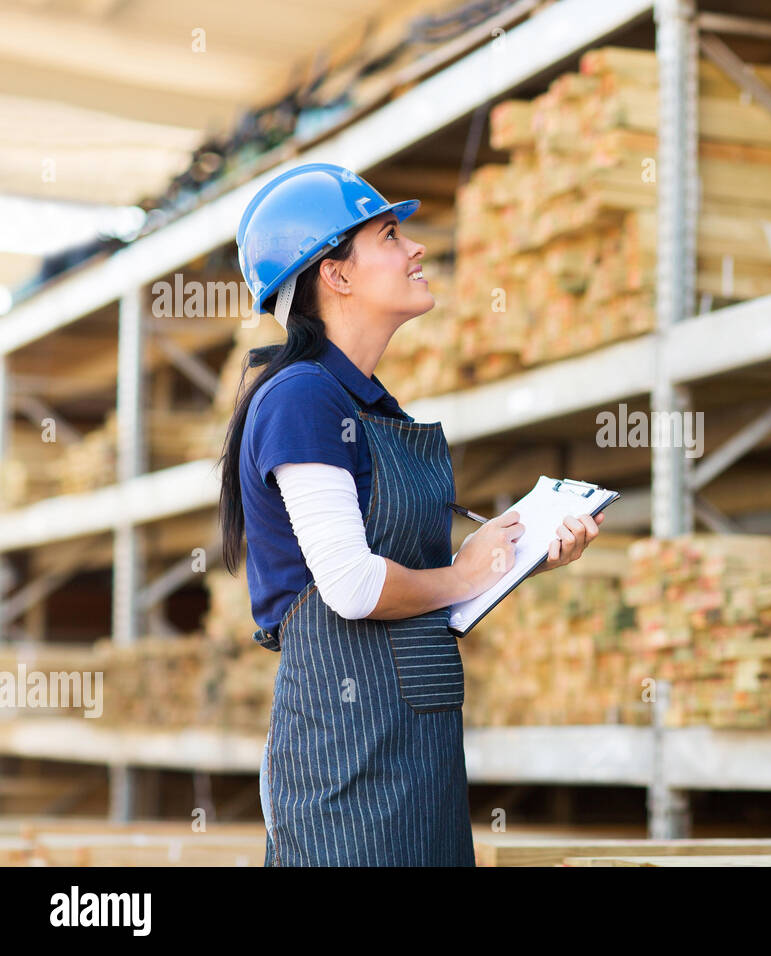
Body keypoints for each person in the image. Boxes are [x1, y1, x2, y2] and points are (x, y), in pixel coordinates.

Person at [216, 163, 603, 866]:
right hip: (345, 763)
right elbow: (354, 586)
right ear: (334, 274)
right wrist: (460, 576)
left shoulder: (368, 406)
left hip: (417, 755)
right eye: (391, 236)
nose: (416, 248)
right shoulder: (301, 399)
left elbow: (421, 595)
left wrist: (522, 554)